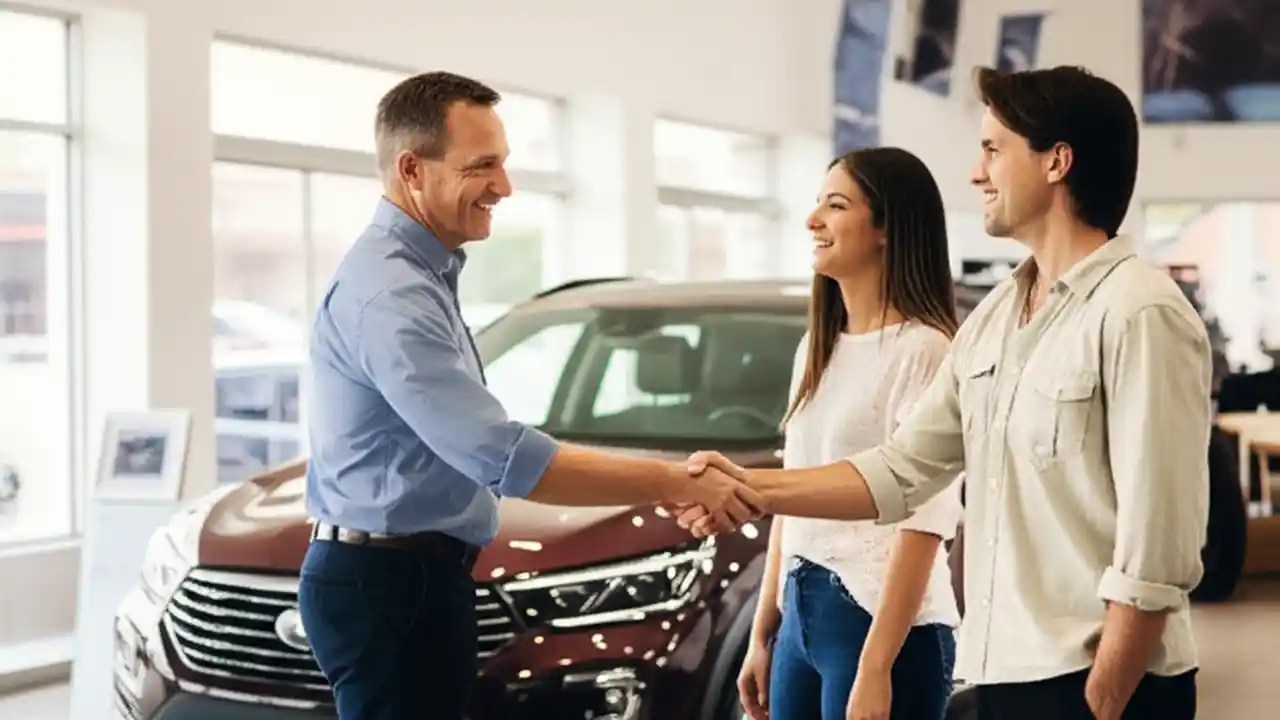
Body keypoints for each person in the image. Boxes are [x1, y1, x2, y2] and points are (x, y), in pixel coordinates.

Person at [681, 65, 1212, 720]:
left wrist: (1103, 697)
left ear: (1057, 162)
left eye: (993, 150)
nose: (975, 173)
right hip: (998, 671)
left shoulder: (1139, 312)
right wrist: (753, 489)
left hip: (1097, 683)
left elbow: (1157, 547)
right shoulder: (994, 321)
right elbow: (902, 470)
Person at [296, 70, 762, 720]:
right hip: (392, 587)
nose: (504, 187)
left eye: (504, 163)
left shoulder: (418, 277)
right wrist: (674, 483)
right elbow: (499, 453)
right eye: (482, 165)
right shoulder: (393, 296)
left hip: (410, 577)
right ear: (412, 169)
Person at [737, 147, 963, 720]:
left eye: (835, 206)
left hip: (886, 627)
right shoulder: (818, 348)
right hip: (801, 614)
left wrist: (876, 667)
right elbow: (795, 489)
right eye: (817, 204)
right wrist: (763, 630)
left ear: (888, 229)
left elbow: (925, 520)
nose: (813, 219)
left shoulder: (926, 349)